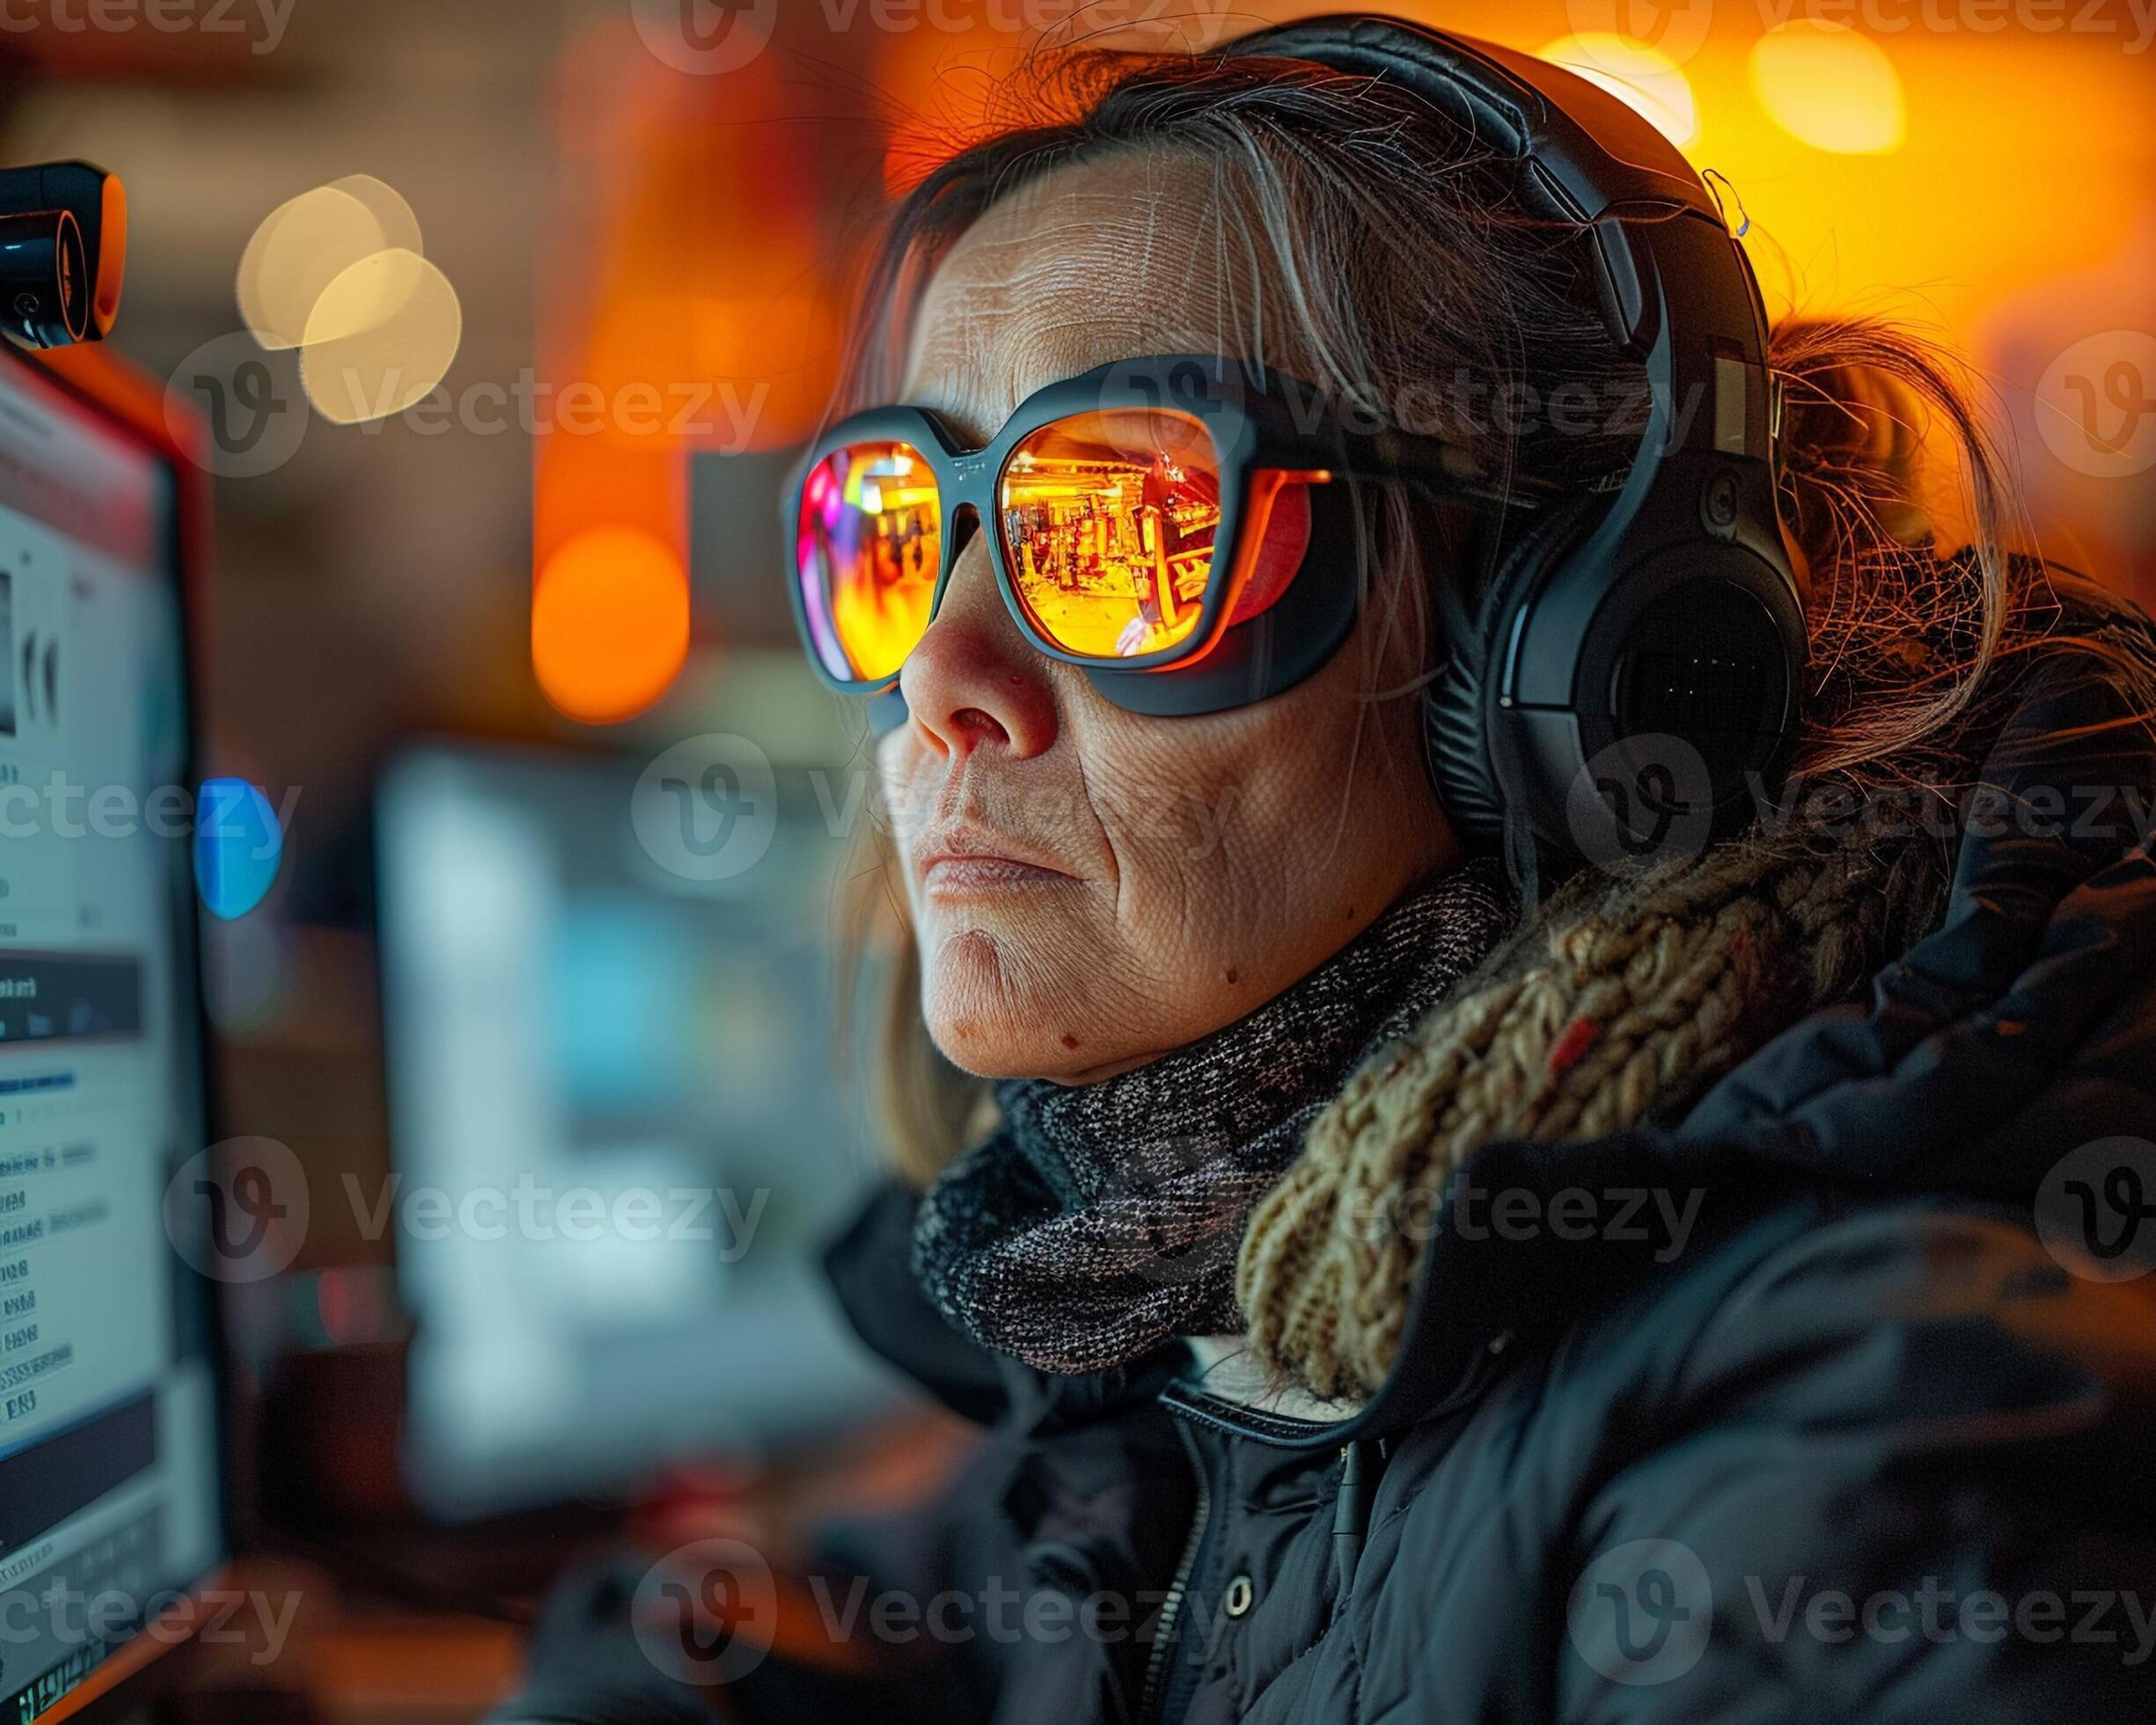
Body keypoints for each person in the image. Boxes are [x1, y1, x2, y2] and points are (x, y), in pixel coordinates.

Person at [493, 17, 2156, 1722]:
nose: (938, 675)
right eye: (896, 532)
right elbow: (831, 1638)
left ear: (1568, 664)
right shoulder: (1195, 1293)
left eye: (1124, 523)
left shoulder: (1858, 1446)